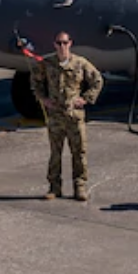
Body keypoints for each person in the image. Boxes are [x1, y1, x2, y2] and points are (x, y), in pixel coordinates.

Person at [31, 31, 104, 202]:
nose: (62, 46)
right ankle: (54, 187)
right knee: (55, 153)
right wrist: (43, 99)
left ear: (70, 43)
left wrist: (85, 99)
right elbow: (36, 82)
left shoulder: (80, 63)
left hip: (74, 115)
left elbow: (97, 80)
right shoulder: (47, 63)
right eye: (58, 43)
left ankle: (80, 186)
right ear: (54, 45)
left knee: (79, 152)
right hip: (55, 115)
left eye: (64, 43)